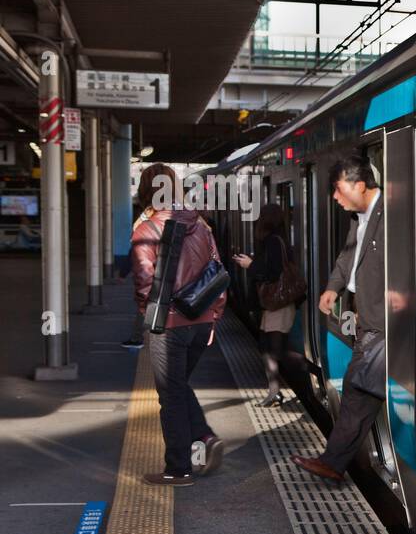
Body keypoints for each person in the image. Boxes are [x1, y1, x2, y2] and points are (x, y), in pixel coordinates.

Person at [130, 163, 226, 487]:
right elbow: (218, 272)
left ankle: (178, 469)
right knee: (178, 386)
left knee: (170, 397)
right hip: (200, 322)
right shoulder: (201, 224)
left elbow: (145, 284)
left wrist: (148, 319)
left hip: (167, 325)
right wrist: (214, 317)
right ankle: (205, 436)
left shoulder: (145, 229)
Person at [292, 153, 384, 482]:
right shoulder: (360, 218)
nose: (334, 197)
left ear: (359, 185)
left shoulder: (392, 215)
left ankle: (332, 463)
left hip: (382, 323)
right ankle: (333, 462)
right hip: (369, 322)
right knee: (361, 391)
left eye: (337, 188)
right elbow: (348, 258)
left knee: (358, 388)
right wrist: (333, 287)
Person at [232, 202, 297, 407]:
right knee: (268, 347)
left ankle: (310, 376)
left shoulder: (273, 242)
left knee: (275, 350)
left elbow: (272, 273)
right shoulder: (280, 240)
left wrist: (250, 265)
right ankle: (274, 391)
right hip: (274, 304)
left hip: (278, 303)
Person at [121, 201, 151, 350]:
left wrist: (123, 273)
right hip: (168, 275)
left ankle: (137, 338)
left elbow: (134, 252)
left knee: (143, 308)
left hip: (148, 276)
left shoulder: (144, 227)